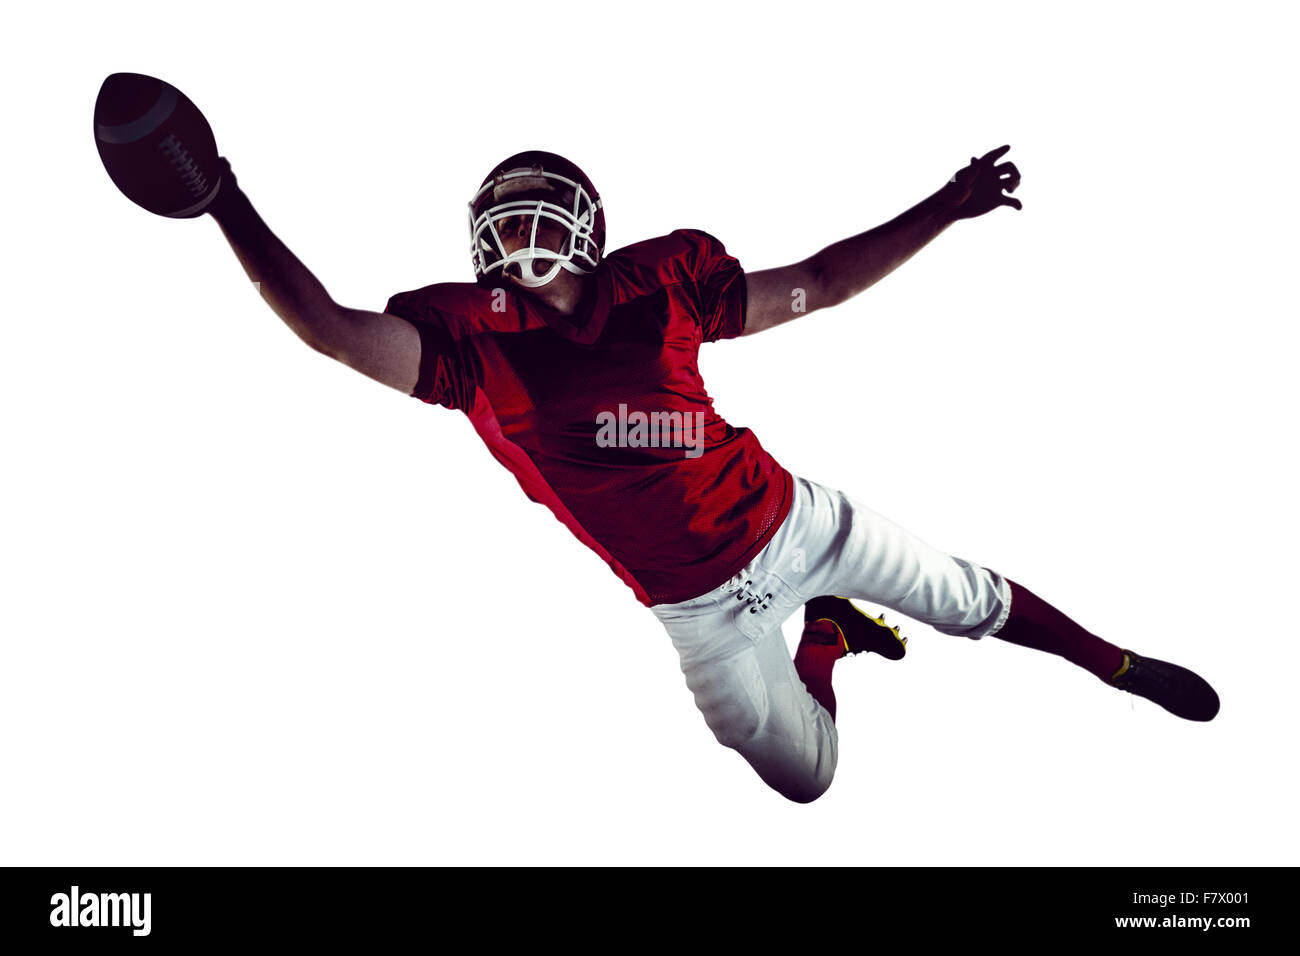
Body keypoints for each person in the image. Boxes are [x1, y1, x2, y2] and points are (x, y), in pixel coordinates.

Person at [206, 145, 1219, 803]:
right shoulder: (469, 343)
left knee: (962, 596)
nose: (517, 231)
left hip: (796, 524)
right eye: (501, 218)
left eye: (535, 210)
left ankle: (1114, 663)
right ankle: (824, 638)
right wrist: (225, 200)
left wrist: (943, 207)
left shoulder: (664, 281)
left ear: (585, 220)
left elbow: (819, 282)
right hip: (695, 609)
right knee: (805, 779)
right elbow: (335, 334)